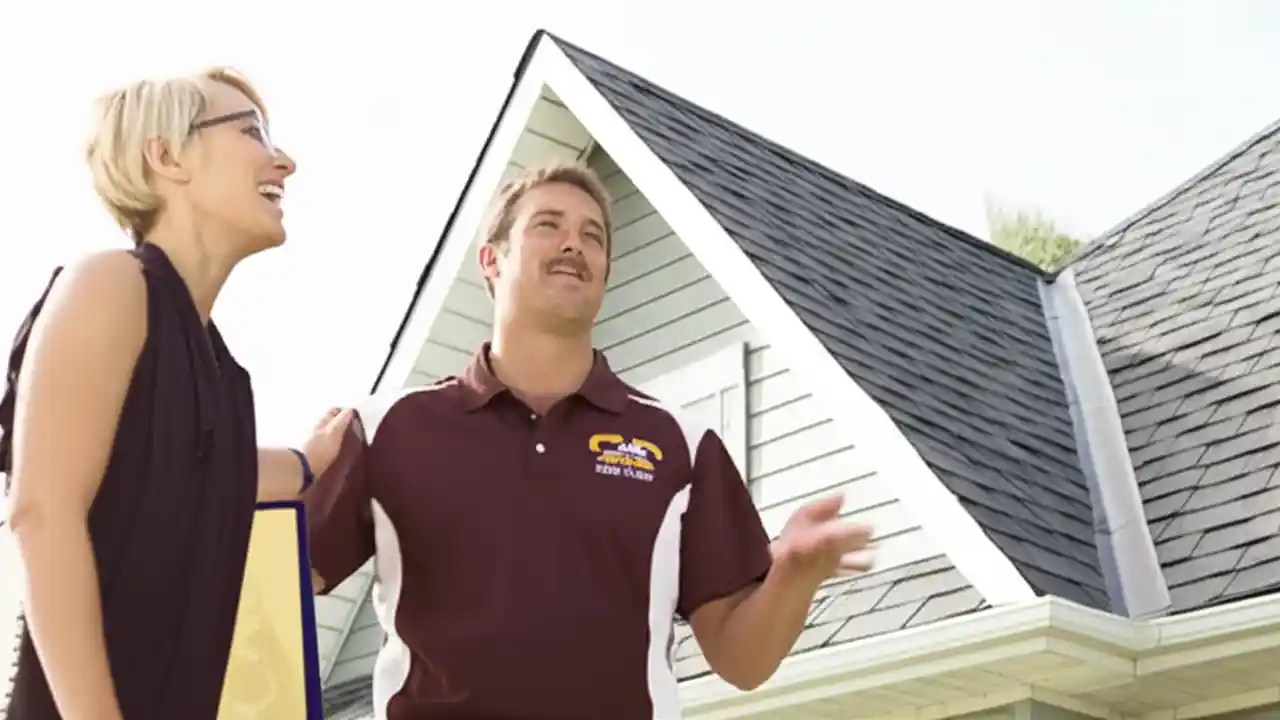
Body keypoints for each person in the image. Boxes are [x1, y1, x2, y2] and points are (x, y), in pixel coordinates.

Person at [303, 162, 876, 719]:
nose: (574, 243)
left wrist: (794, 575)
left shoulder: (682, 446)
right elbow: (268, 590)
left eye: (592, 235)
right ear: (491, 260)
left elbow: (741, 662)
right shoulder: (383, 431)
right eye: (548, 225)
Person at [0, 68, 351, 719]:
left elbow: (227, 468)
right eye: (251, 131)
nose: (285, 160)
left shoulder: (223, 376)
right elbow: (41, 514)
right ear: (164, 156)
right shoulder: (111, 286)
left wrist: (313, 458)